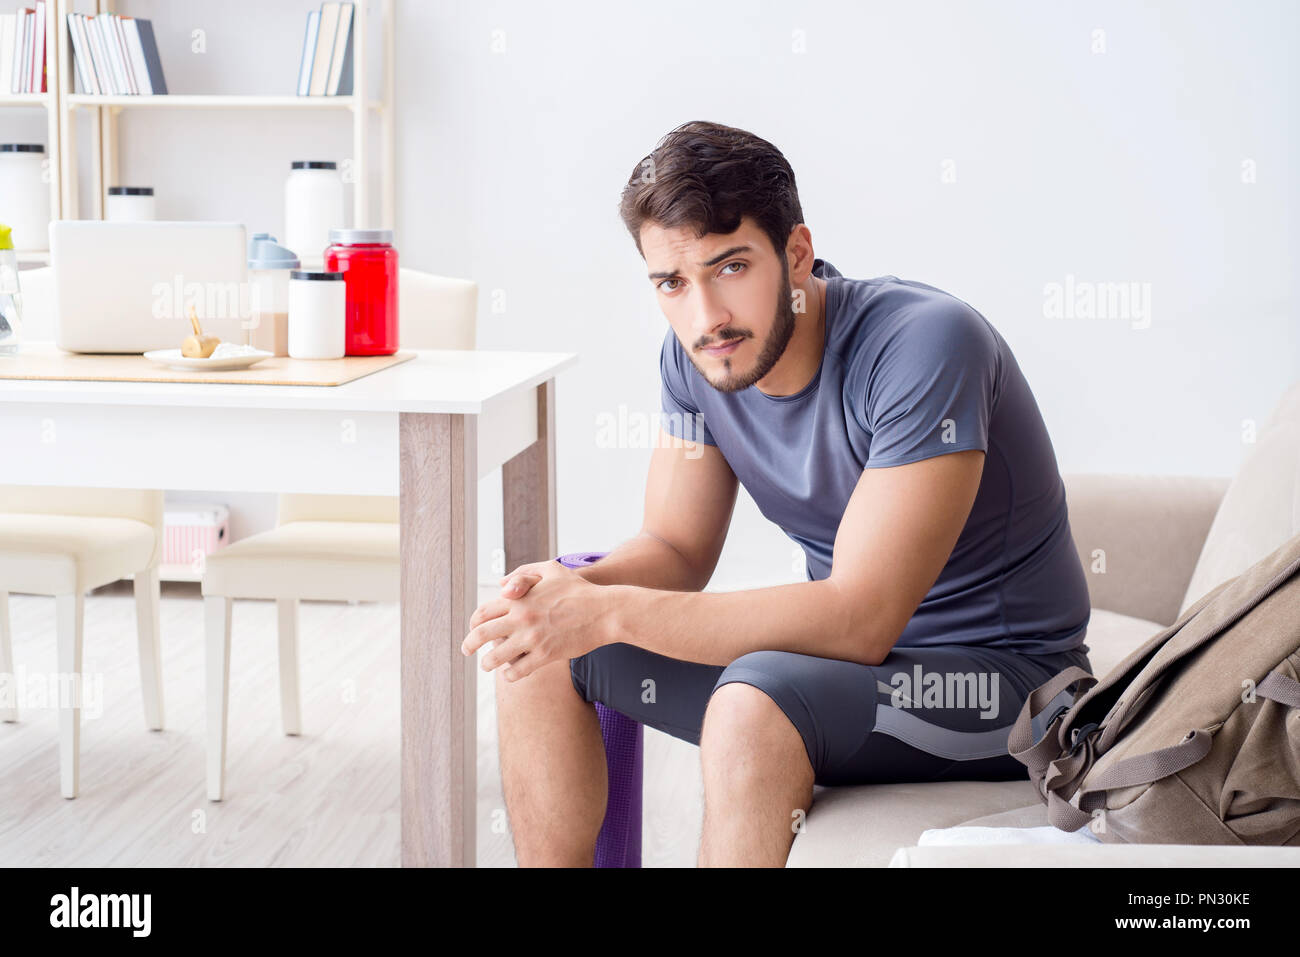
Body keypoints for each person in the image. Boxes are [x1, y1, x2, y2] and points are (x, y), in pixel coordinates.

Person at [461, 120, 1093, 867]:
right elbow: (674, 547)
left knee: (754, 704)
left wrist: (607, 608)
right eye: (672, 282)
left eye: (730, 267)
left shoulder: (927, 346)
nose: (705, 317)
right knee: (535, 650)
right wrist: (558, 597)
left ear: (796, 253)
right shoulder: (694, 359)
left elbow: (860, 618)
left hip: (1003, 690)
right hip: (852, 677)